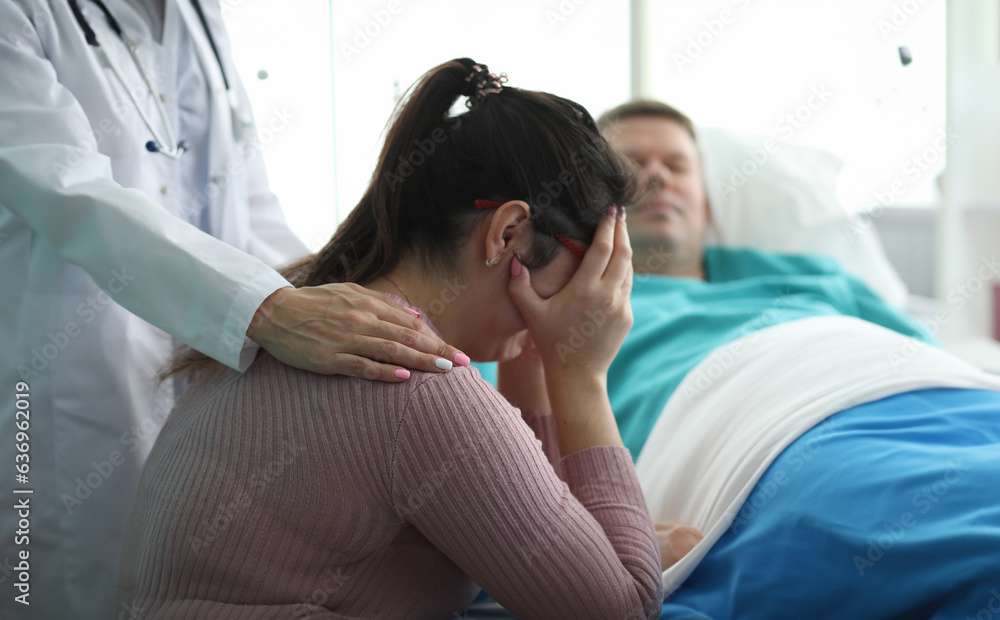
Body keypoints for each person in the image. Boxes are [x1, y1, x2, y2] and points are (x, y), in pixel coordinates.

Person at [115, 58, 665, 619]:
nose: (588, 298)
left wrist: (538, 359)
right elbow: (622, 609)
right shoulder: (413, 380)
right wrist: (581, 373)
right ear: (508, 234)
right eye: (587, 270)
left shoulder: (310, 315)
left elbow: (537, 543)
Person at [0, 2, 465, 619]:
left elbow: (247, 202)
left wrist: (373, 307)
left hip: (203, 373)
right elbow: (68, 190)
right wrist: (266, 309)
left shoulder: (197, 15)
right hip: (70, 371)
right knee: (70, 585)